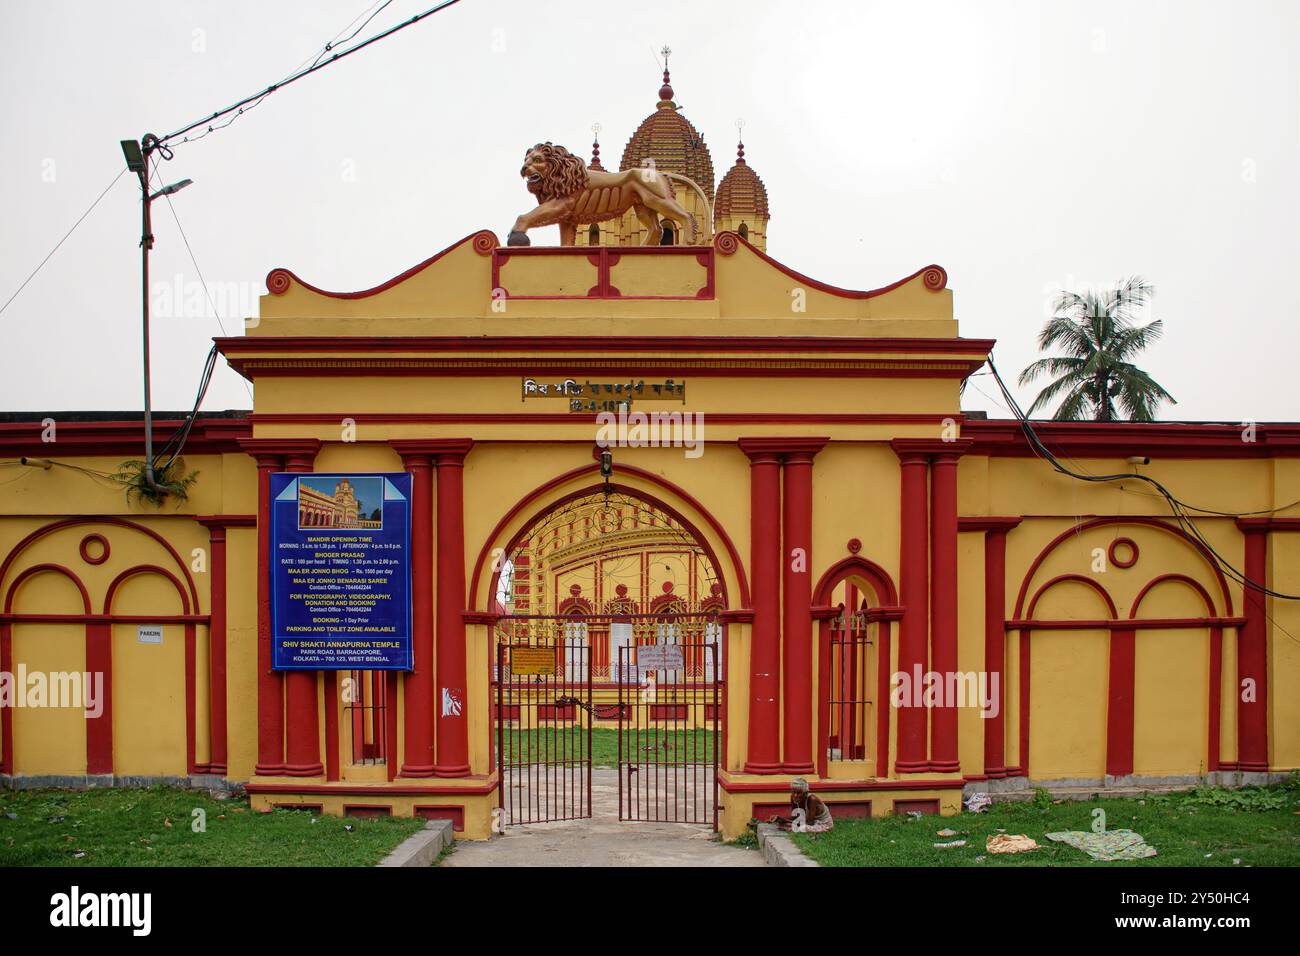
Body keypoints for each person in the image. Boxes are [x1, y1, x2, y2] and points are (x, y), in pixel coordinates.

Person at [769, 778, 833, 832]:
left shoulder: (812, 799)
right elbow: (795, 817)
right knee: (782, 824)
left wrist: (786, 821)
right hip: (808, 822)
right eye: (794, 792)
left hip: (822, 823)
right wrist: (780, 818)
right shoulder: (793, 797)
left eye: (799, 793)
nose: (795, 795)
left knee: (802, 828)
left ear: (806, 793)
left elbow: (810, 822)